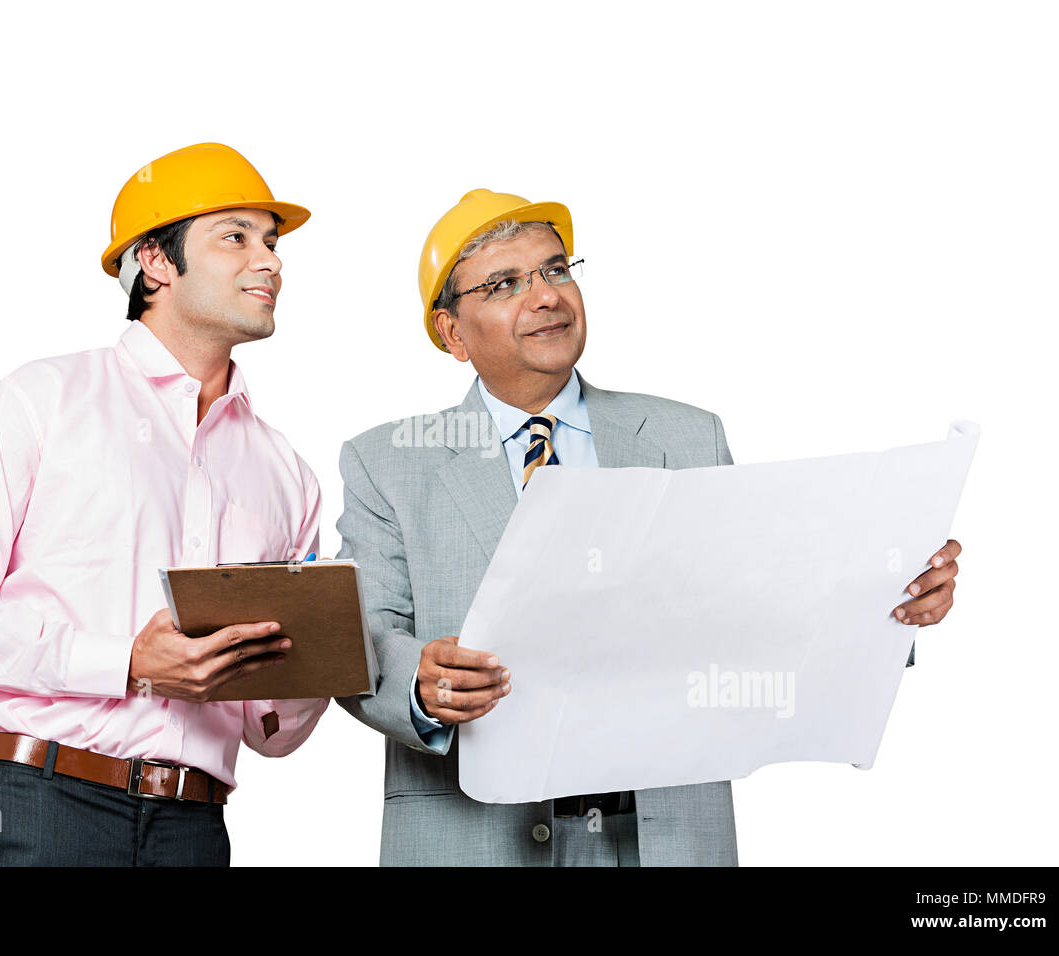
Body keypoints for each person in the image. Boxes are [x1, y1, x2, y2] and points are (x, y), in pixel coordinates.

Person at [334, 189, 962, 866]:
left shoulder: (685, 437)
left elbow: (761, 605)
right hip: (474, 835)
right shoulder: (388, 463)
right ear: (453, 332)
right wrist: (419, 686)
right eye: (505, 283)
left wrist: (888, 607)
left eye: (556, 269)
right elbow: (358, 638)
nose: (545, 296)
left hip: (662, 833)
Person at [0, 143, 329, 866]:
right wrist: (123, 662)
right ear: (155, 261)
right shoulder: (44, 402)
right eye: (236, 237)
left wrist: (323, 651)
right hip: (34, 805)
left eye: (272, 242)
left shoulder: (287, 474)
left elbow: (270, 733)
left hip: (194, 829)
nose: (271, 261)